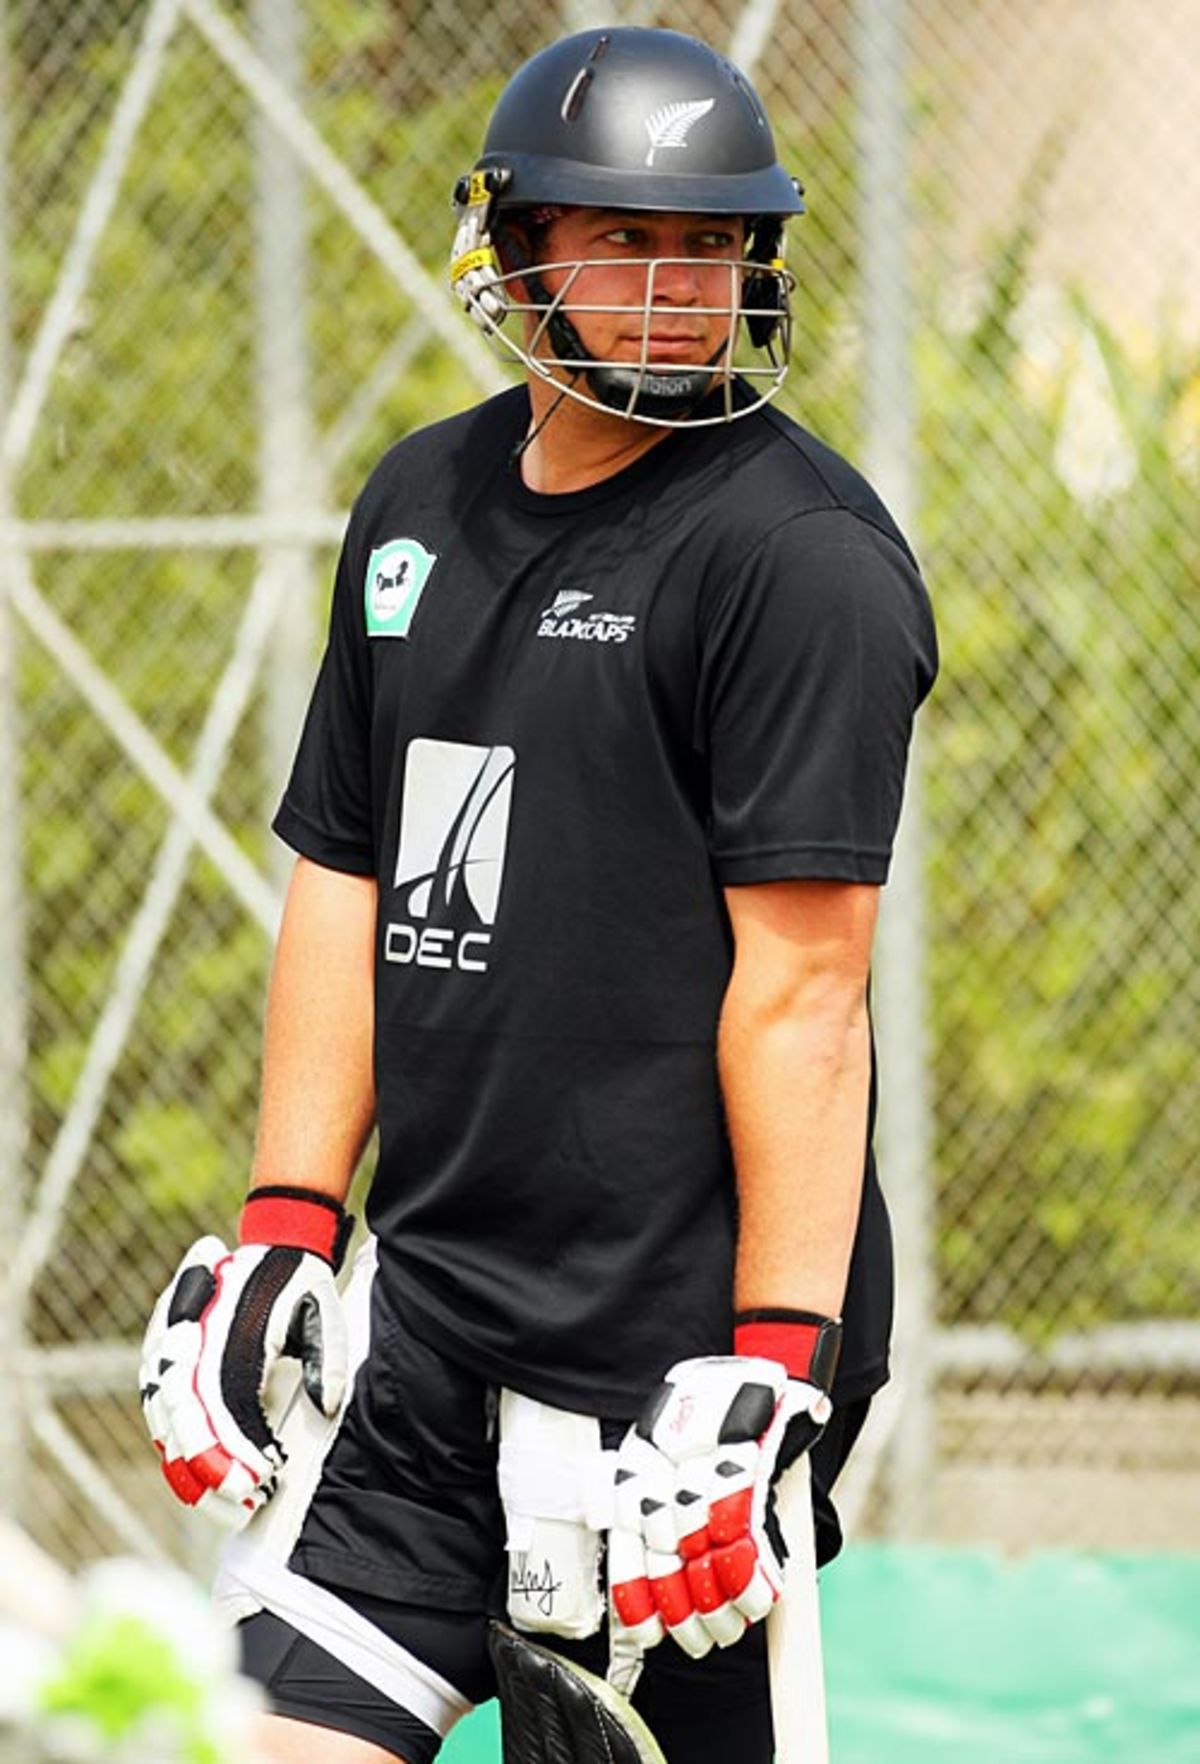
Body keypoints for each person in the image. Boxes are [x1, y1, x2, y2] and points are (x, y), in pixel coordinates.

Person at [139, 25, 937, 1764]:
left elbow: (806, 993)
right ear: (513, 252)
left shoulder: (800, 561)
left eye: (712, 245)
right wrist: (289, 1221)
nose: (677, 287)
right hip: (423, 1349)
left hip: (667, 1407)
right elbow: (348, 873)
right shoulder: (419, 498)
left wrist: (776, 1362)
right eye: (626, 240)